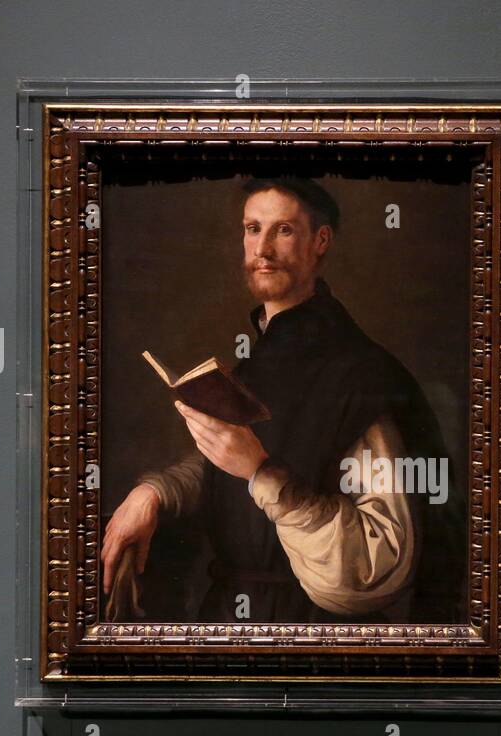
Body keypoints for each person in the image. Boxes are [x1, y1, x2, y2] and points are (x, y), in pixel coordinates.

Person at [101, 175, 465, 624]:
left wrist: (260, 471)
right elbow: (238, 457)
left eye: (284, 230)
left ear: (321, 241)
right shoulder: (263, 358)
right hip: (232, 620)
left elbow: (377, 564)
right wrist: (154, 493)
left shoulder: (359, 373)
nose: (263, 249)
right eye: (253, 229)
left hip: (314, 634)